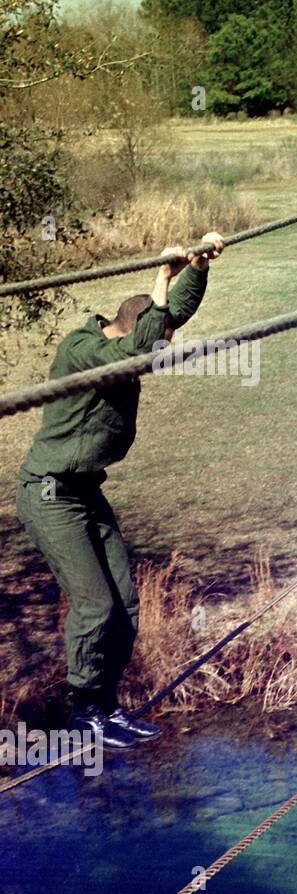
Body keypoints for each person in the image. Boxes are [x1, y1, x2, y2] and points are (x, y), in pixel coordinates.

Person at [17, 232, 226, 747]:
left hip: (86, 490)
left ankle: (106, 707)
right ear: (133, 330)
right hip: (50, 494)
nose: (163, 354)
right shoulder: (84, 351)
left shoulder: (127, 338)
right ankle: (83, 709)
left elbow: (166, 318)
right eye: (159, 342)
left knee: (126, 604)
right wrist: (160, 276)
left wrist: (196, 266)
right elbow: (142, 344)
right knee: (94, 605)